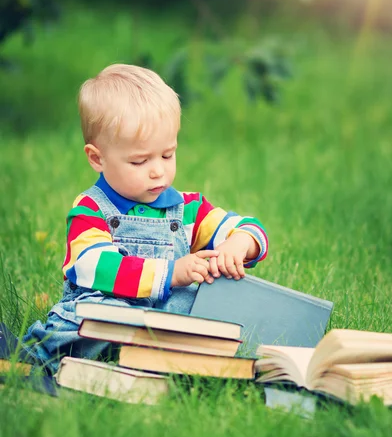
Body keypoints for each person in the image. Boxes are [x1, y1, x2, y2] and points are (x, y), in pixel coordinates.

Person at [19, 64, 268, 373]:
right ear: (97, 158)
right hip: (109, 315)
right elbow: (96, 267)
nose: (157, 171)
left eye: (167, 155)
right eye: (139, 160)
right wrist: (171, 273)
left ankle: (165, 359)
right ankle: (37, 354)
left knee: (205, 305)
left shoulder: (186, 208)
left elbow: (247, 226)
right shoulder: (90, 210)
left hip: (164, 320)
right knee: (90, 319)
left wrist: (240, 244)